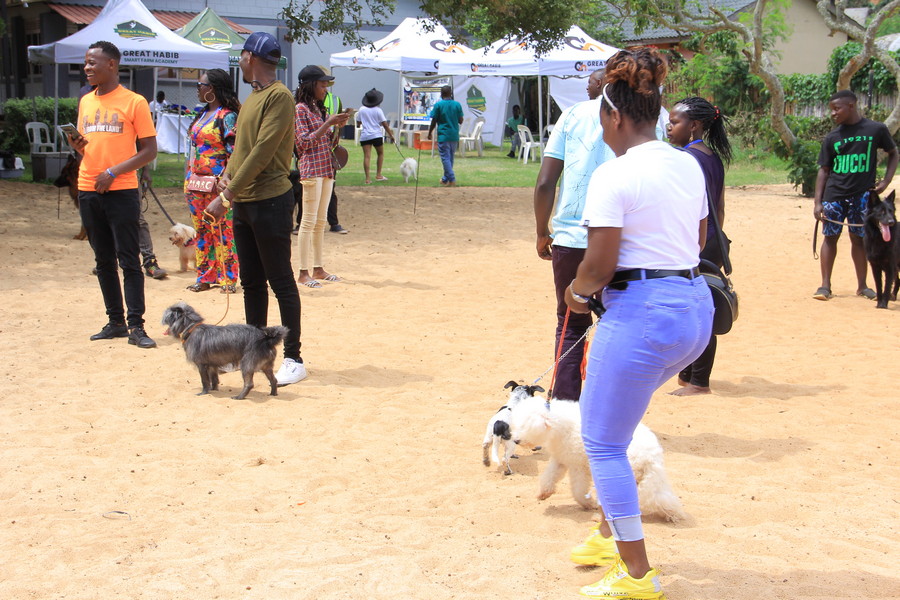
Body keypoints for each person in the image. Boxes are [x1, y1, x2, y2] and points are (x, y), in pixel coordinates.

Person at [564, 48, 713, 599]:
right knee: (615, 426)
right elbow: (698, 239)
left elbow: (599, 266)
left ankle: (635, 575)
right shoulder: (687, 162)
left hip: (644, 315)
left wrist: (577, 294)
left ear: (613, 115)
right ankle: (609, 535)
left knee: (602, 441)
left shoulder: (614, 173)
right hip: (694, 309)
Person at [205, 32, 307, 387]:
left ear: (250, 57)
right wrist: (227, 175)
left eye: (242, 55)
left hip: (271, 199)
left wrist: (227, 195)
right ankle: (253, 350)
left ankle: (293, 357)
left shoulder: (280, 97)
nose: (240, 61)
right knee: (251, 282)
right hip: (245, 201)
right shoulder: (252, 98)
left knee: (280, 280)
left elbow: (263, 151)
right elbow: (242, 149)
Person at [68, 40, 158, 349]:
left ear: (112, 65)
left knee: (129, 259)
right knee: (103, 259)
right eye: (86, 62)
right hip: (88, 188)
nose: (87, 68)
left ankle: (136, 326)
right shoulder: (86, 101)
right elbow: (89, 148)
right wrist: (78, 148)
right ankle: (115, 321)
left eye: (92, 62)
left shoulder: (134, 102)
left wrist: (113, 172)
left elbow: (149, 151)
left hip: (121, 190)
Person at [533, 68, 613, 402]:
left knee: (570, 323)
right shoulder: (647, 116)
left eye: (592, 81)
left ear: (605, 82)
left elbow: (545, 182)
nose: (587, 86)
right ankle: (606, 404)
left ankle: (565, 403)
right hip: (623, 240)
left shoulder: (572, 115)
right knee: (617, 325)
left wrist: (542, 231)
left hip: (572, 237)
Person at [665, 96, 733, 396]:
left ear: (693, 125)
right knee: (699, 306)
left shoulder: (686, 159)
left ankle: (698, 382)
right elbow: (719, 206)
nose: (669, 127)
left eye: (675, 122)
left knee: (697, 312)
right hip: (712, 241)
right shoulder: (712, 156)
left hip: (694, 243)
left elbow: (685, 208)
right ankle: (688, 375)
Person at [813, 89, 898, 301]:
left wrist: (886, 181)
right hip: (834, 195)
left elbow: (893, 153)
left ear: (851, 105)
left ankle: (863, 286)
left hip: (862, 196)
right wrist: (818, 202)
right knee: (830, 238)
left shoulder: (876, 129)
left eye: (837, 108)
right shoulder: (832, 137)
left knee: (859, 239)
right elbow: (824, 170)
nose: (833, 113)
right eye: (831, 109)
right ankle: (825, 286)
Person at [293, 65, 352, 288]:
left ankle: (318, 268)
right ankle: (303, 272)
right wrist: (328, 123)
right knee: (308, 222)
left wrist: (338, 126)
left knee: (319, 221)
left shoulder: (319, 109)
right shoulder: (300, 110)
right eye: (322, 85)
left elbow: (329, 142)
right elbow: (303, 143)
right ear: (311, 85)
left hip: (326, 168)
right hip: (311, 169)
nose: (325, 89)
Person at [184, 68, 240, 294]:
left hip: (218, 185)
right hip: (195, 183)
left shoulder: (227, 116)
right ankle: (205, 276)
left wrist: (227, 180)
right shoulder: (201, 114)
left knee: (223, 231)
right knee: (202, 231)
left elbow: (234, 153)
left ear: (213, 89)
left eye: (201, 85)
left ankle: (228, 278)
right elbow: (193, 149)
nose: (197, 89)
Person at [356, 88, 395, 184]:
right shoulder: (378, 110)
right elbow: (385, 124)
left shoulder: (362, 109)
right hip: (376, 135)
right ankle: (378, 174)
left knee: (367, 156)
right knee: (380, 154)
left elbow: (358, 123)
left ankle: (367, 179)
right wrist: (391, 135)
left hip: (365, 135)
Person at [427, 85, 464, 187]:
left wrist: (430, 132)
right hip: (454, 135)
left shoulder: (438, 105)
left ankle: (452, 178)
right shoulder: (457, 104)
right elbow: (461, 120)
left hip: (443, 135)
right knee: (450, 158)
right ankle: (445, 179)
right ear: (451, 93)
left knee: (445, 158)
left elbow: (434, 120)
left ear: (441, 94)